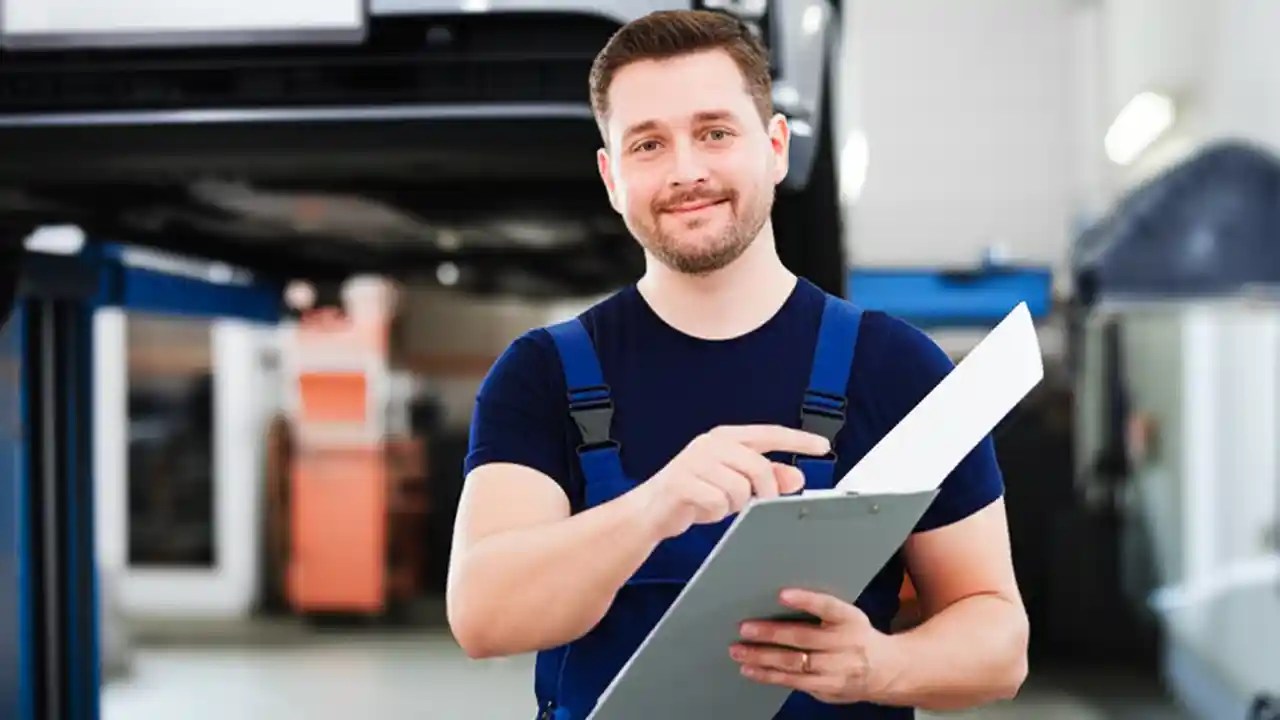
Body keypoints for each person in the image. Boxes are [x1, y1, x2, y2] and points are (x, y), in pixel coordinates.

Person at [446, 9, 1029, 719]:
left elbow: (999, 641)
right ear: (610, 175)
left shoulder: (897, 368)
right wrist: (654, 507)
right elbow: (484, 616)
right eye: (648, 144)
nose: (686, 170)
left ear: (775, 146)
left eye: (714, 132)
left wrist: (883, 665)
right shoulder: (540, 375)